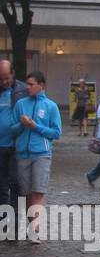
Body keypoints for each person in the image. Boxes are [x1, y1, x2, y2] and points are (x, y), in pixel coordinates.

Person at [14, 71, 61, 243]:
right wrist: (21, 124)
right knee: (27, 193)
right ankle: (31, 226)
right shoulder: (20, 104)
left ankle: (36, 230)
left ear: (41, 85)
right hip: (23, 153)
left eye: (31, 84)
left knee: (38, 191)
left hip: (42, 153)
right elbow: (12, 129)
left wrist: (35, 126)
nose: (28, 87)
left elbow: (56, 132)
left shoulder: (51, 106)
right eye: (27, 83)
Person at [0, 60, 29, 213]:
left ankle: (14, 227)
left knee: (16, 184)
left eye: (6, 77)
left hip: (17, 145)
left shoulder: (23, 90)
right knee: (1, 188)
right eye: (0, 78)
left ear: (13, 74)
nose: (4, 81)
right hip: (0, 146)